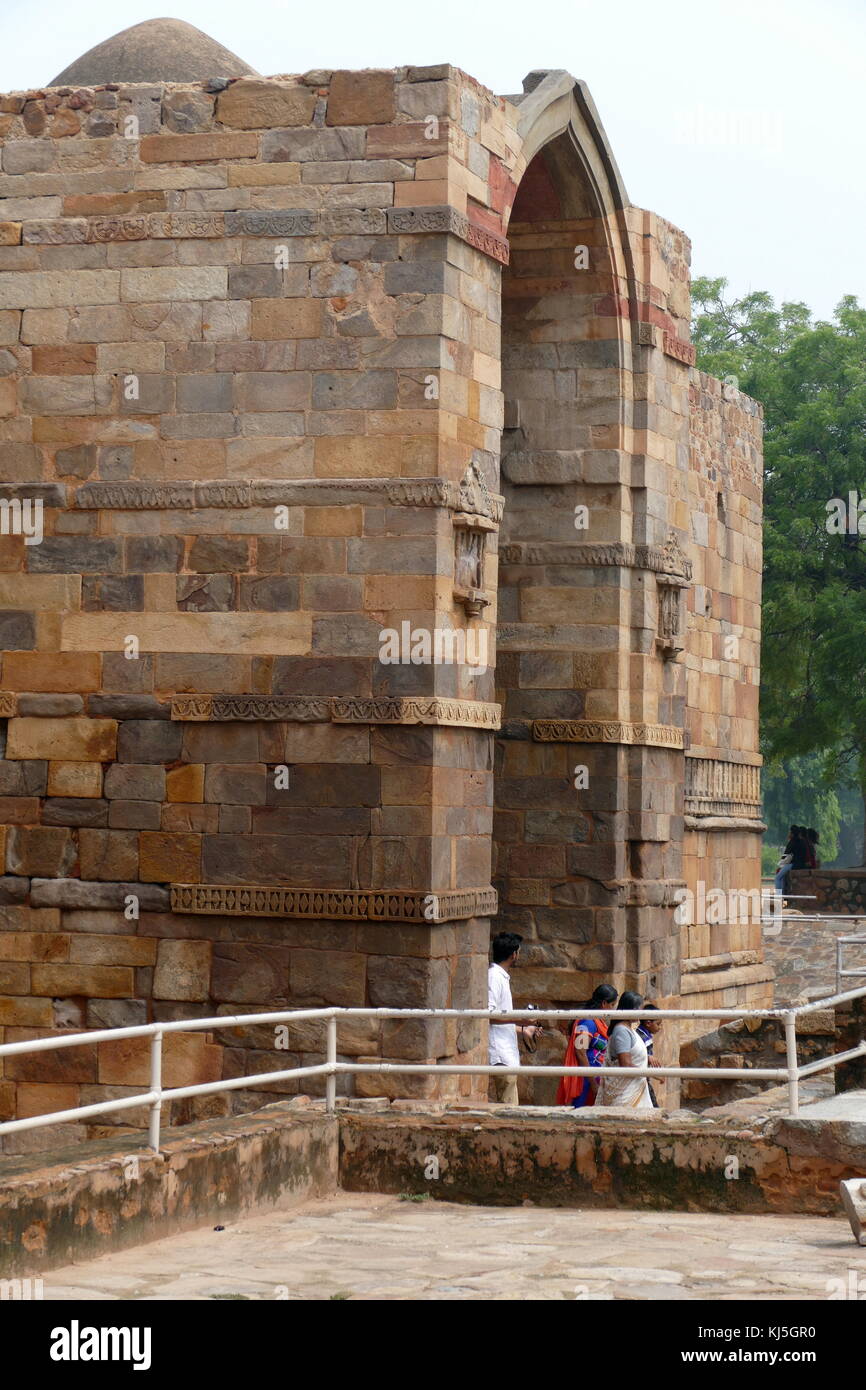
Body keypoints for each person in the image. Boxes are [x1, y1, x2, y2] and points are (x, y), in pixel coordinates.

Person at [487, 932, 539, 1105]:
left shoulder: (500, 976)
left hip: (506, 1052)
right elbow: (489, 1015)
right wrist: (521, 1020)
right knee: (508, 1108)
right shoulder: (494, 976)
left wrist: (523, 1030)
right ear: (513, 954)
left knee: (510, 1103)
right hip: (500, 1053)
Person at [557, 983, 617, 1108]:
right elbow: (580, 1052)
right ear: (604, 1004)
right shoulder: (587, 1022)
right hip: (585, 1080)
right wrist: (592, 1082)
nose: (613, 1009)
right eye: (612, 1005)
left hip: (595, 1077)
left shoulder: (598, 1021)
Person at [598, 990, 654, 1110]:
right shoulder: (622, 1031)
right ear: (632, 1009)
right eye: (640, 1009)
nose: (642, 1013)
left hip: (633, 1087)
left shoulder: (628, 1029)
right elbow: (625, 1064)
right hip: (625, 1093)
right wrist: (652, 1074)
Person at [636, 1003, 664, 1108]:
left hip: (644, 1077)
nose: (660, 1027)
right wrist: (647, 1057)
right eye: (658, 1024)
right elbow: (637, 1059)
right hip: (640, 1079)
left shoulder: (645, 1036)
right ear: (648, 1023)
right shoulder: (640, 1037)